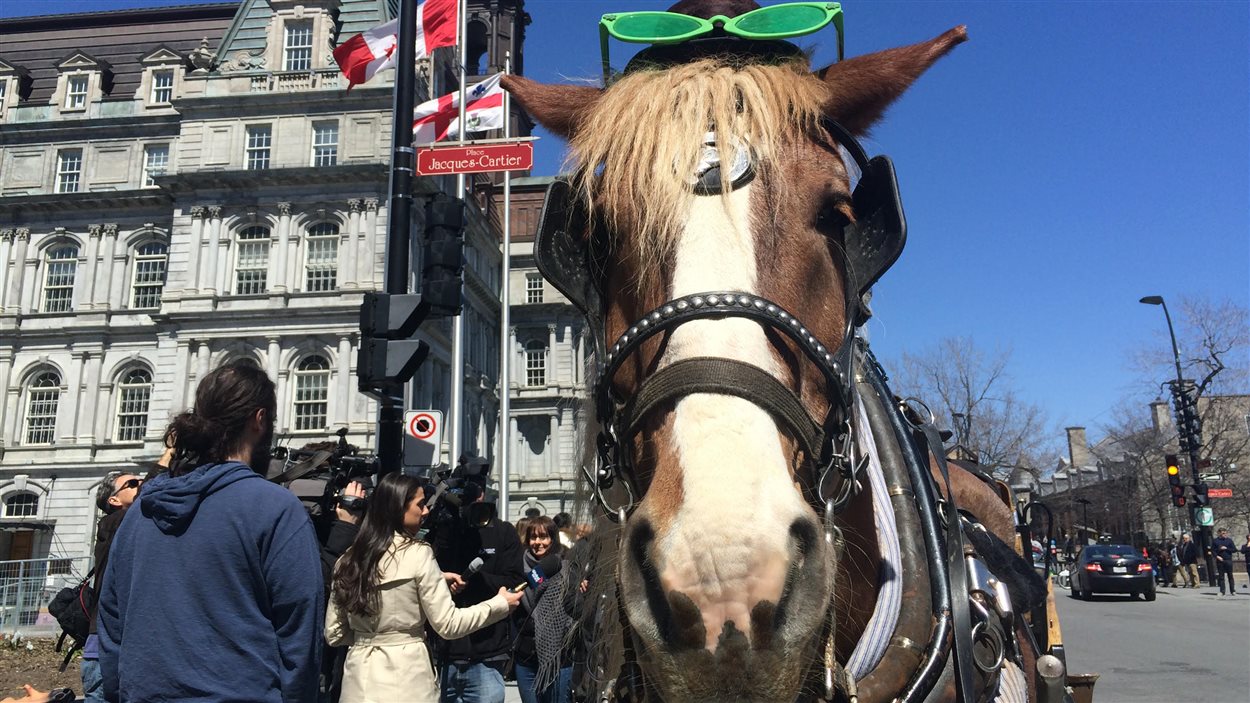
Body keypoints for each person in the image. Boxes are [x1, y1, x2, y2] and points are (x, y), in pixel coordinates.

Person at [98, 361, 324, 703]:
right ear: (259, 420)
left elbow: (112, 627)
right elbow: (300, 638)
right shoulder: (275, 509)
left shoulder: (140, 513)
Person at [325, 473, 523, 702]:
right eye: (420, 504)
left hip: (358, 681)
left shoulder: (348, 559)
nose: (426, 511)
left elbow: (334, 633)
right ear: (399, 508)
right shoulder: (418, 553)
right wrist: (498, 605)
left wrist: (369, 637)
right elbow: (449, 625)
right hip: (408, 677)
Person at [433, 482, 526, 703]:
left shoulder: (503, 532)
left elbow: (515, 582)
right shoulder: (444, 531)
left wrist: (477, 581)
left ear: (482, 497)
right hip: (445, 656)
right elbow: (428, 577)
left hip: (487, 655)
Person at [79, 470, 143, 703]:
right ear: (113, 500)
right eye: (133, 483)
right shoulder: (112, 523)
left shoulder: (135, 525)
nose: (142, 484)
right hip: (102, 655)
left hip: (122, 650)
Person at [513, 516, 575, 703]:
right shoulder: (518, 567)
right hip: (526, 658)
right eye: (533, 537)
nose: (537, 543)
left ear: (553, 539)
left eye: (543, 537)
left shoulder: (565, 567)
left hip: (558, 659)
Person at [1212, 527, 1237, 596]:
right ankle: (1222, 591)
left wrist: (1226, 548)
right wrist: (1217, 556)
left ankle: (1233, 591)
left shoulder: (1229, 540)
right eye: (1223, 533)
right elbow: (1213, 551)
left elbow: (1234, 549)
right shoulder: (1215, 541)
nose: (1225, 534)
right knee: (1221, 576)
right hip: (1220, 560)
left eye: (1225, 533)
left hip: (1228, 559)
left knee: (1230, 576)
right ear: (1219, 533)